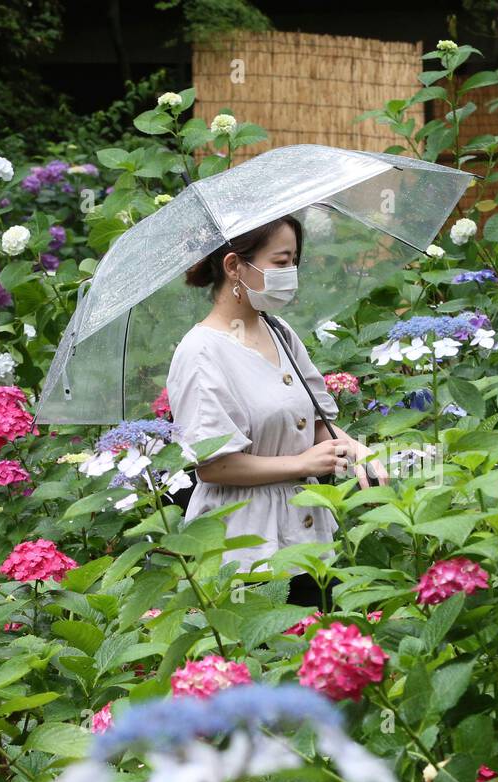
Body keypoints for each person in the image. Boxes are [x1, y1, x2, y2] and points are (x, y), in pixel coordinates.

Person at [164, 214, 382, 607]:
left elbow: (315, 420)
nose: (291, 273)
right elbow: (213, 466)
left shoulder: (278, 329)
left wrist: (355, 448)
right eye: (281, 263)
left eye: (295, 260)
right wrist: (303, 463)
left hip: (308, 537)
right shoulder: (201, 353)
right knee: (268, 659)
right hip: (246, 548)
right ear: (234, 266)